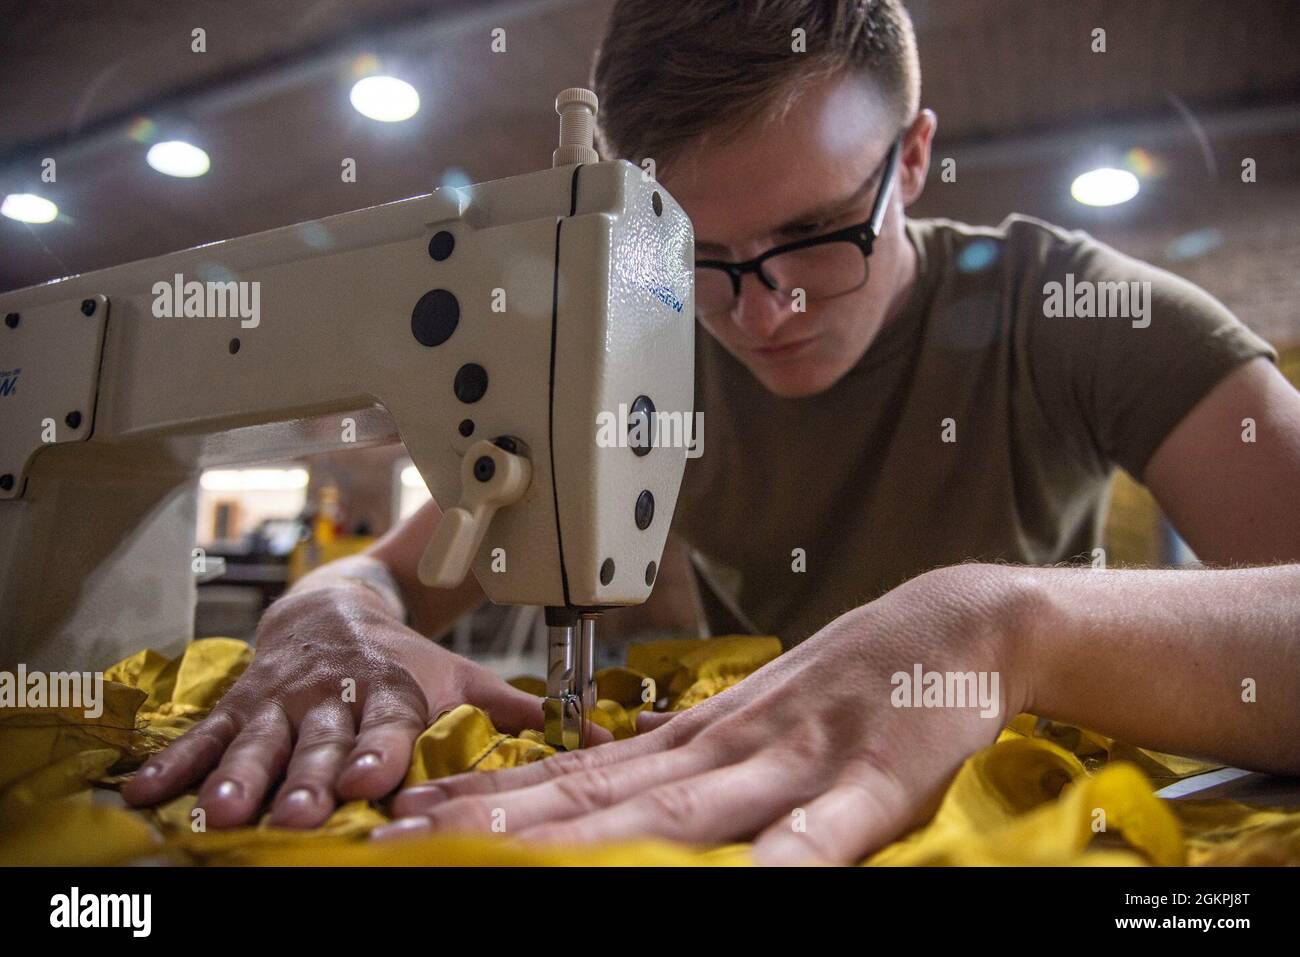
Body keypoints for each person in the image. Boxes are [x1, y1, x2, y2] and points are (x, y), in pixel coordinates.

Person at [123, 0, 1300, 864]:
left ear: (917, 158)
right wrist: (326, 619)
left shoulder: (1080, 310)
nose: (758, 310)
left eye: (818, 233)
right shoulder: (635, 358)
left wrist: (1000, 630)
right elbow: (377, 588)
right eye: (695, 257)